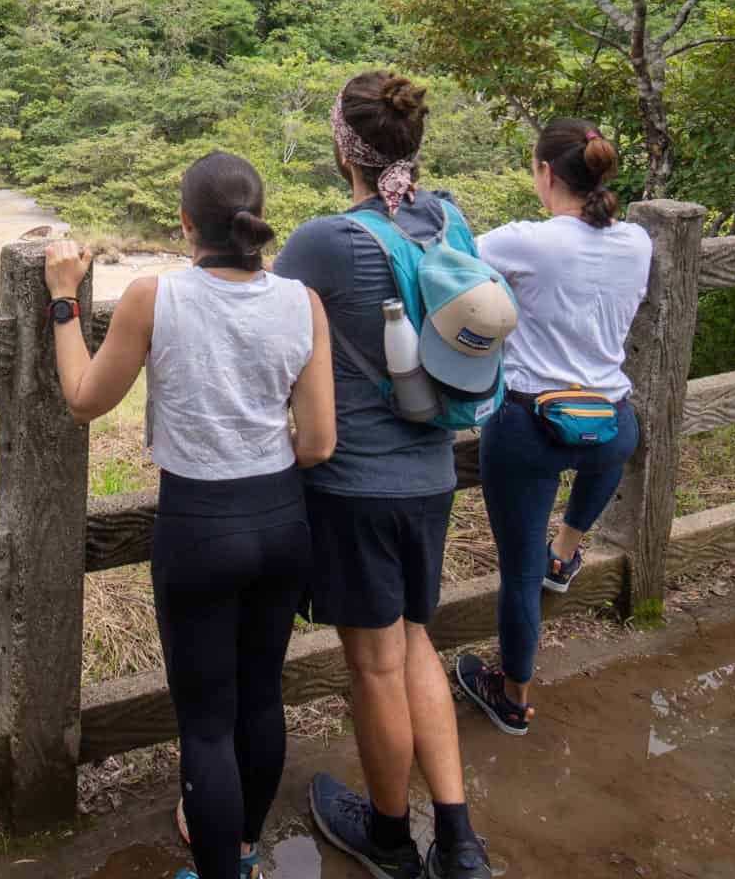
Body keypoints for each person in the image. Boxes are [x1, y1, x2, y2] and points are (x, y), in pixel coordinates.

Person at [43, 151, 336, 879]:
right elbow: (319, 443)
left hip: (199, 525)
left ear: (185, 223)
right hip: (281, 518)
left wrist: (63, 300)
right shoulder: (302, 302)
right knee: (260, 699)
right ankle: (244, 851)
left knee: (206, 724)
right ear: (257, 220)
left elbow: (82, 400)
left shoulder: (155, 297)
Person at [273, 72, 495, 879]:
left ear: (344, 150)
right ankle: (460, 842)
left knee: (373, 664)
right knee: (415, 643)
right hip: (431, 474)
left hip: (355, 486)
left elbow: (265, 329)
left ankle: (392, 835)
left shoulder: (325, 241)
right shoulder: (449, 219)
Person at [451, 119, 651, 737]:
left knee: (517, 575)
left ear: (544, 173)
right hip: (610, 424)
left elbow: (449, 264)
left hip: (530, 427)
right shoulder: (638, 241)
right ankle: (563, 555)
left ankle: (511, 696)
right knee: (610, 447)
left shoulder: (525, 242)